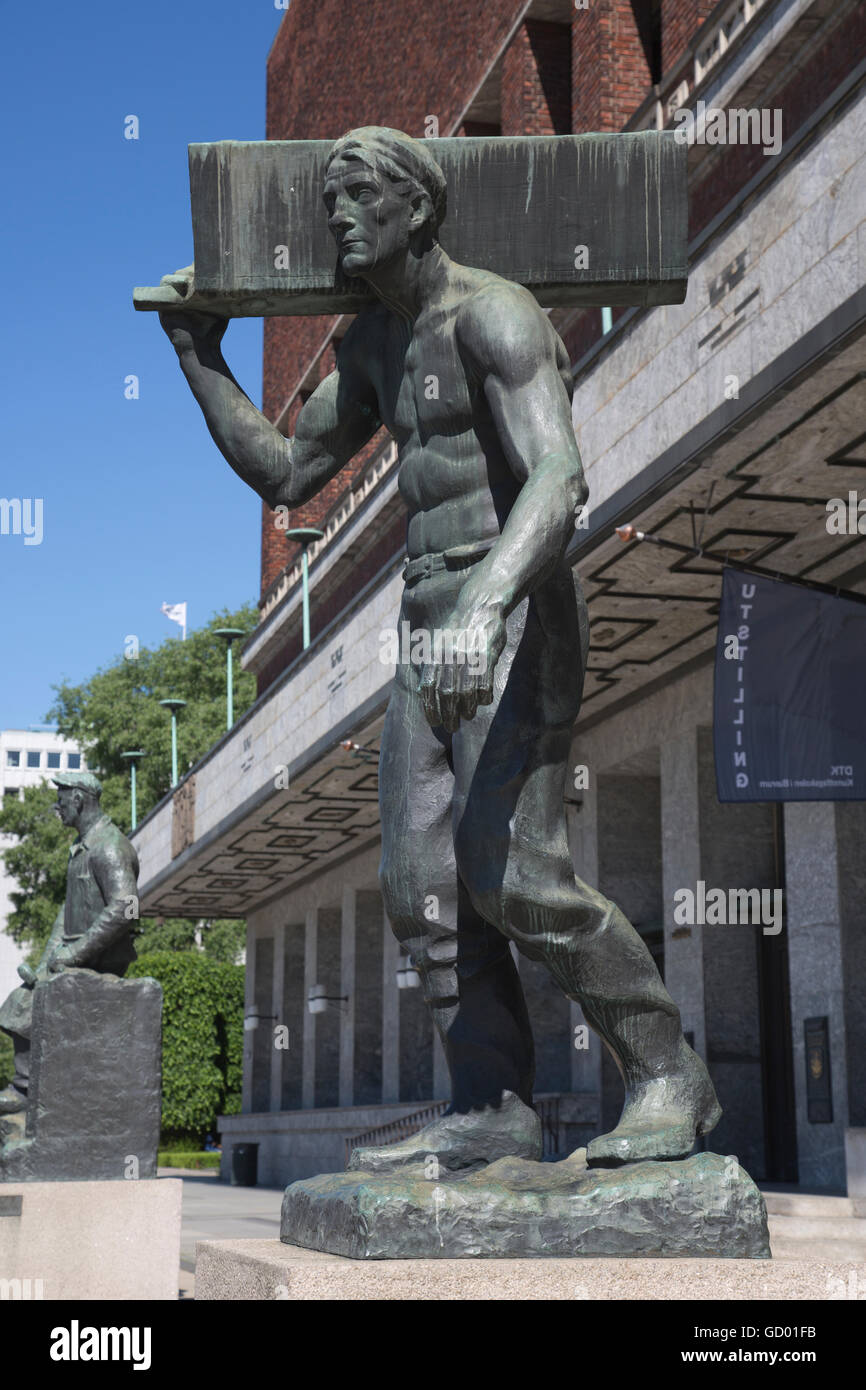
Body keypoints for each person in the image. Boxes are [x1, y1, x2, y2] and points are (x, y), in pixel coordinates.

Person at [159, 126, 720, 1170]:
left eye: (359, 193)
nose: (338, 216)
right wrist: (197, 355)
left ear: (414, 207)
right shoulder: (373, 344)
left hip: (512, 605)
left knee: (508, 871)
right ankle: (490, 1104)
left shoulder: (493, 316)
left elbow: (557, 476)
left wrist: (482, 609)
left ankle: (665, 1071)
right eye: (329, 199)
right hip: (427, 624)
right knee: (418, 878)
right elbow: (287, 471)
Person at [0, 771, 139, 1115]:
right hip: (77, 958)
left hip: (102, 959)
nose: (56, 806)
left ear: (78, 799)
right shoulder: (81, 848)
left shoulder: (109, 846)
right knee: (22, 997)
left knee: (30, 1004)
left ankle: (29, 1091)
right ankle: (26, 1088)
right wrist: (46, 962)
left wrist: (75, 955)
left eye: (61, 799)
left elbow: (125, 908)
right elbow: (68, 913)